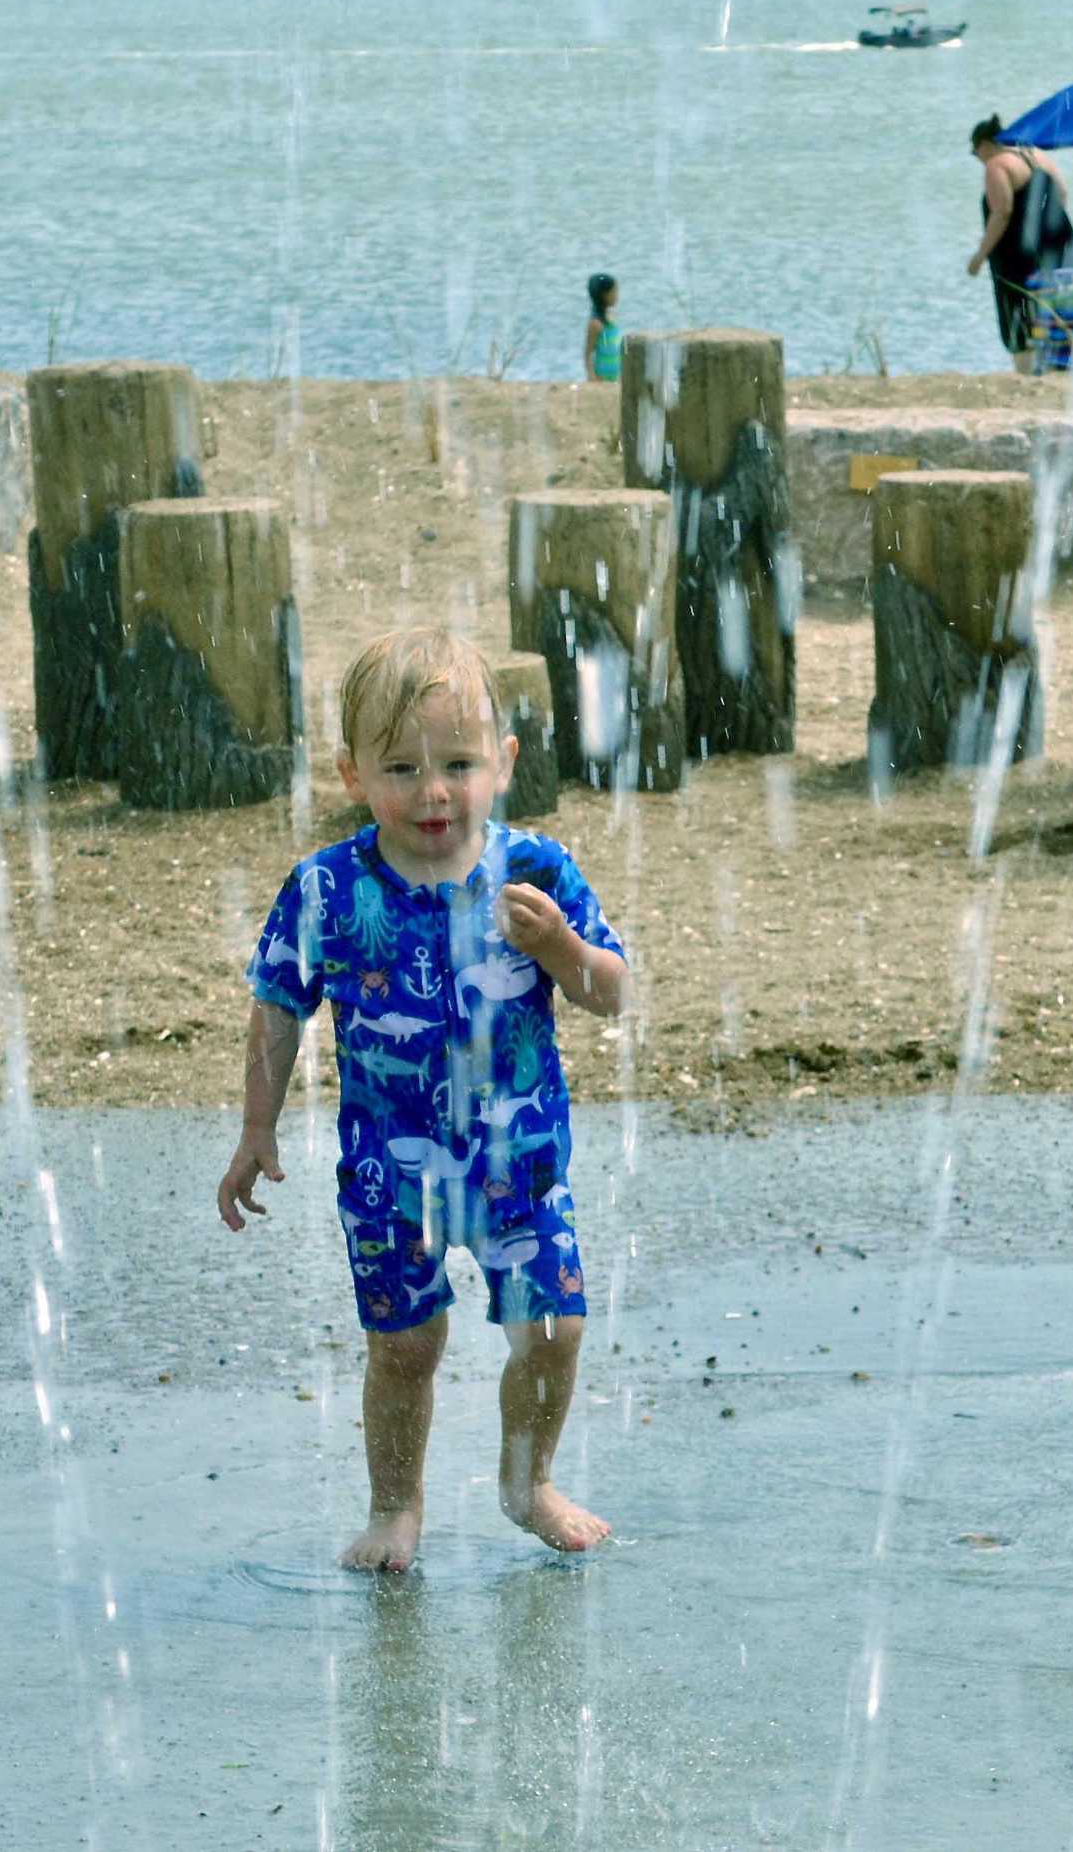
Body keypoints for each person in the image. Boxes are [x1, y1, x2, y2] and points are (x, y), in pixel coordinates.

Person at [216, 628, 630, 1572]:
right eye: (401, 768)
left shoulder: (537, 873)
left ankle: (528, 1483)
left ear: (504, 763)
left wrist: (561, 949)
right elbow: (277, 1004)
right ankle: (395, 1507)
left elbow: (611, 991)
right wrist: (255, 1127)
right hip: (388, 1176)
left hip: (520, 1165)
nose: (433, 791)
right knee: (404, 1346)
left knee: (555, 1327)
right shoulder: (327, 889)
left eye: (458, 765)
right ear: (352, 774)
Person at [965, 113, 1073, 375]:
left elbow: (1002, 211)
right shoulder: (1037, 155)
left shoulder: (996, 164)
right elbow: (1062, 194)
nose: (979, 159)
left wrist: (979, 256)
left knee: (1019, 321)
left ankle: (1026, 375)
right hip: (1059, 246)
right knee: (1058, 310)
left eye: (975, 153)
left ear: (984, 145)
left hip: (1018, 258)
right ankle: (1062, 369)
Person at [584, 273, 622, 383]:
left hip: (616, 375)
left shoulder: (612, 316)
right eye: (614, 291)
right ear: (604, 295)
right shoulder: (595, 324)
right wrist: (592, 377)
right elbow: (588, 354)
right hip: (602, 377)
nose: (617, 295)